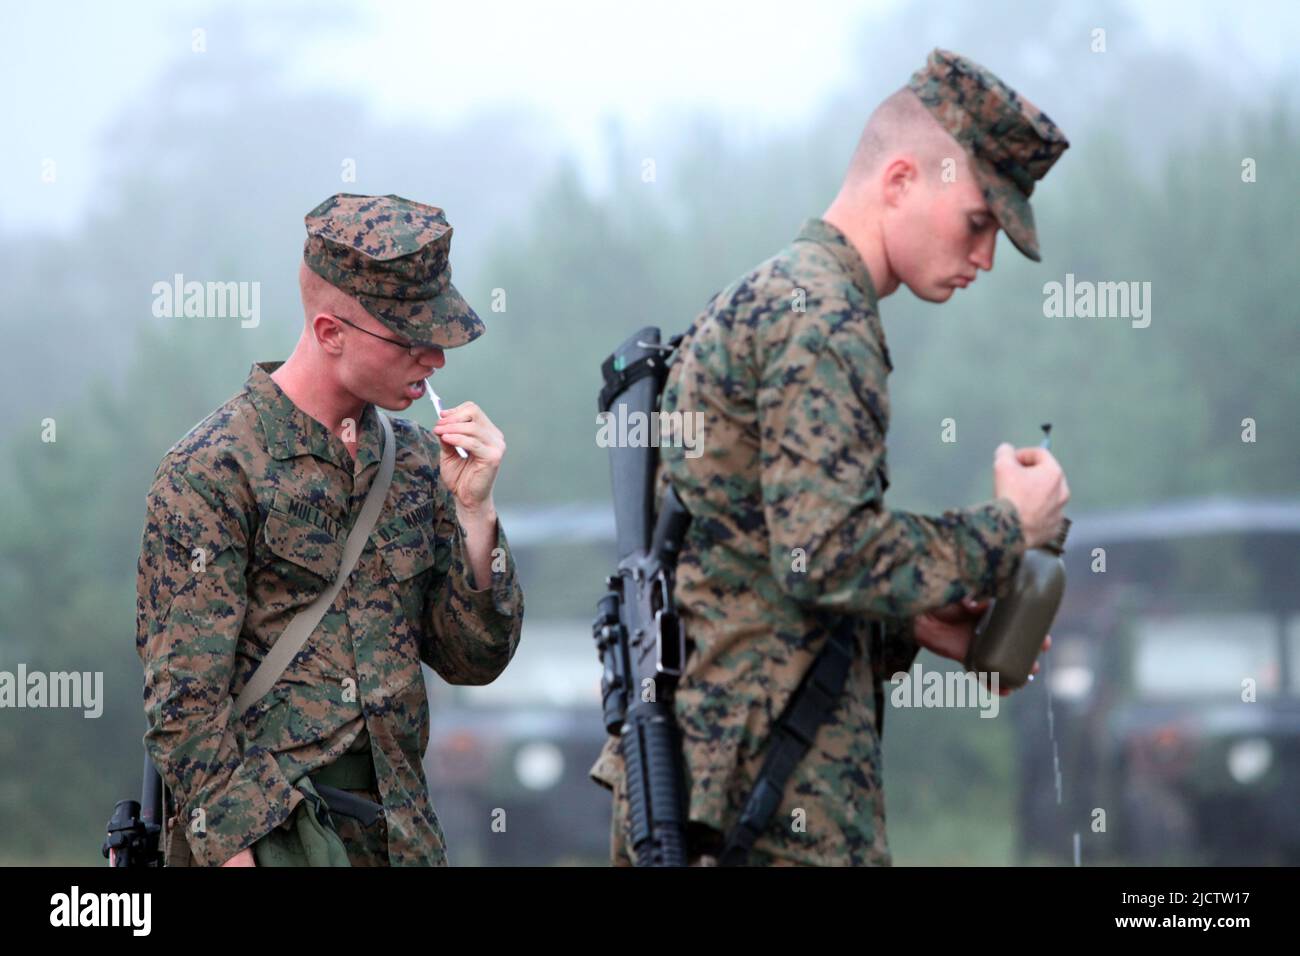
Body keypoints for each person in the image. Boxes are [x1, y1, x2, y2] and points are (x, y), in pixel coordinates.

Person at [591, 49, 1071, 865]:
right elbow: (827, 554)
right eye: (979, 221)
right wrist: (1008, 530)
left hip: (725, 784)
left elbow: (759, 574)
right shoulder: (822, 318)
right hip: (759, 806)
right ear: (901, 180)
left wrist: (913, 622)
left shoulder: (785, 295)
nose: (984, 258)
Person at [136, 192, 523, 867]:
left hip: (401, 843)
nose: (435, 361)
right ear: (329, 332)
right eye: (410, 340)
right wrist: (239, 855)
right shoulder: (212, 473)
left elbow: (473, 660)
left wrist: (476, 513)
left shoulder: (415, 466)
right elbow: (184, 710)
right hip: (277, 841)